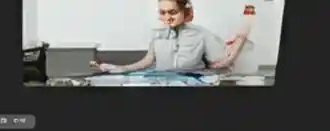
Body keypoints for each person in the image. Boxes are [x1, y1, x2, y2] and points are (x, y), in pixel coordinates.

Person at [95, 0, 247, 74]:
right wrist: (121, 69)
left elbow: (221, 62)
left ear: (185, 12)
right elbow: (147, 61)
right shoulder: (157, 34)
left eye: (172, 12)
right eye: (163, 13)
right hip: (162, 84)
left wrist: (240, 40)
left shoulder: (201, 34)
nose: (167, 17)